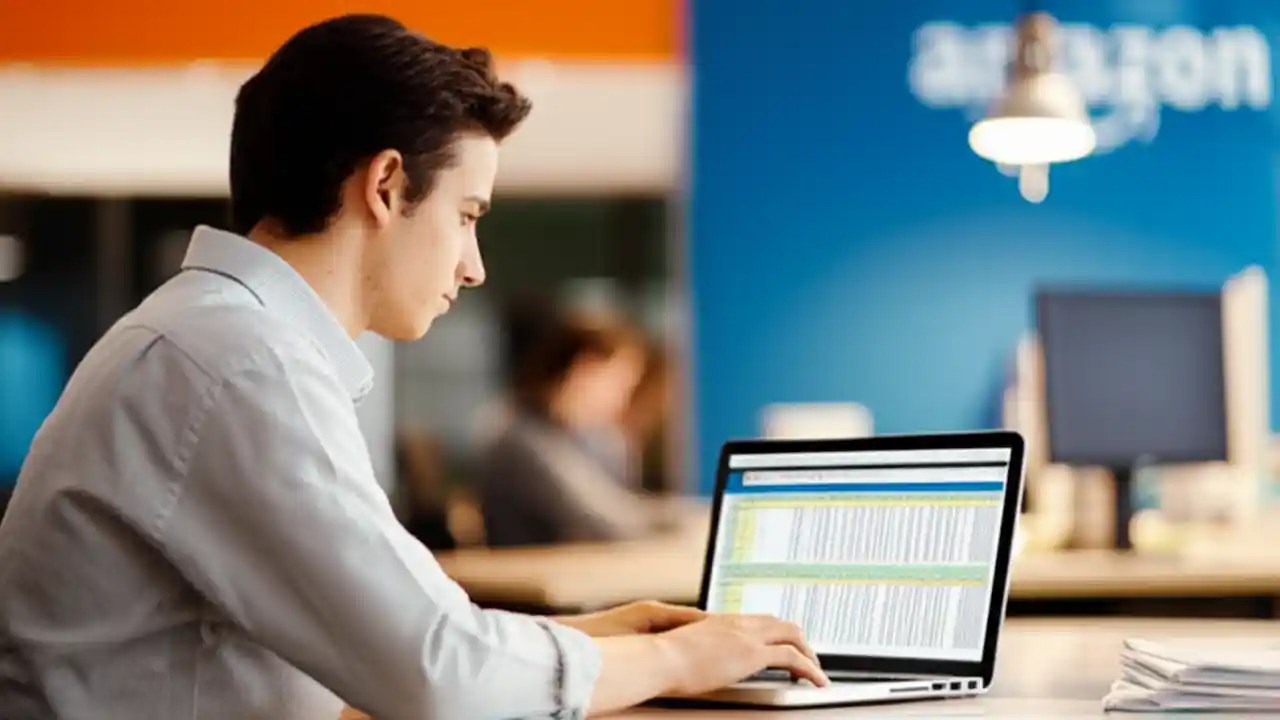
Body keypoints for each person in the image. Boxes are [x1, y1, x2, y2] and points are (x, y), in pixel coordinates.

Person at [0, 14, 826, 720]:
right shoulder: (235, 362)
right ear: (387, 186)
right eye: (467, 217)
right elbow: (437, 672)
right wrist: (681, 663)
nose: (475, 266)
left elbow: (409, 638)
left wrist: (593, 639)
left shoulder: (214, 341)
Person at [479, 314, 686, 546]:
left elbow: (624, 507)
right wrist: (680, 526)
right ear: (584, 369)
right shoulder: (522, 442)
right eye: (619, 384)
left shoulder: (592, 438)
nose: (621, 400)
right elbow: (605, 524)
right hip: (538, 576)